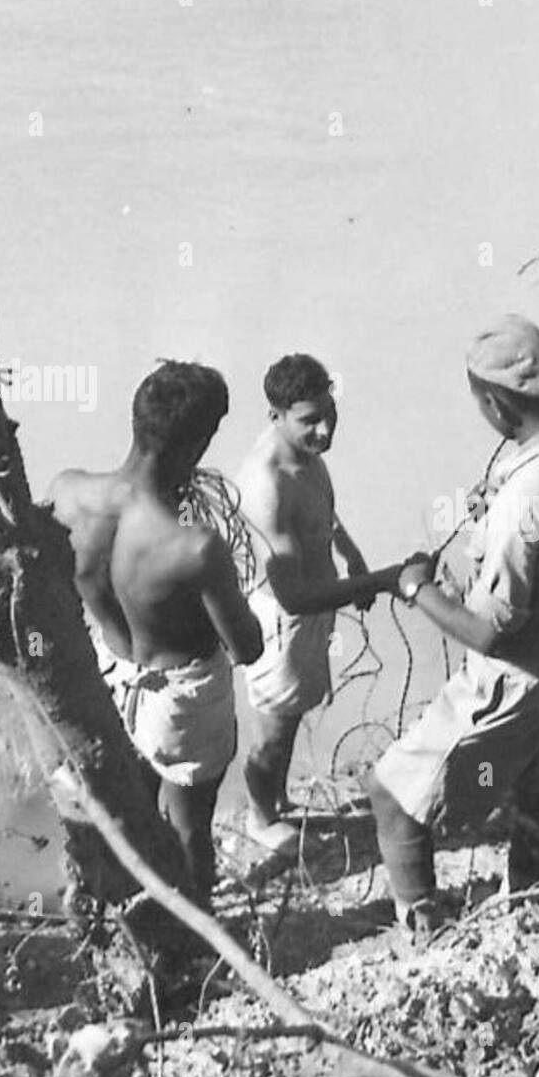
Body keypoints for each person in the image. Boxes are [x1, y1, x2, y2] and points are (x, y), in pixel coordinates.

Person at [368, 315, 539, 940]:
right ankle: (530, 890)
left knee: (394, 796)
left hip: (517, 677)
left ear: (494, 404)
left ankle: (424, 926)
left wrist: (417, 589)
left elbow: (488, 634)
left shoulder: (527, 500)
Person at [49, 360, 265, 906]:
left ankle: (130, 907)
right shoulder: (194, 547)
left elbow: (51, 583)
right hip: (182, 700)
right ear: (197, 442)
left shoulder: (69, 493)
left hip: (110, 674)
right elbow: (247, 648)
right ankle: (197, 930)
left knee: (130, 805)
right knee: (191, 823)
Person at [235, 353, 402, 858]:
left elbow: (322, 514)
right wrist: (379, 581)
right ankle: (260, 818)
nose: (326, 430)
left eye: (330, 414)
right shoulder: (266, 482)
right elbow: (289, 594)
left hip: (316, 606)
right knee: (273, 727)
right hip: (282, 621)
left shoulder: (307, 454)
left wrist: (352, 557)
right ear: (276, 417)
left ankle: (278, 799)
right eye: (311, 421)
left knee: (291, 718)